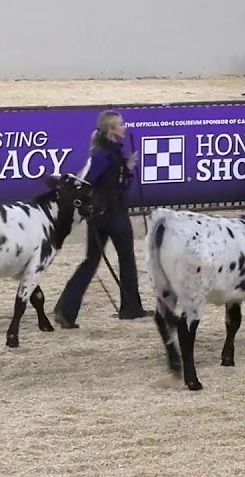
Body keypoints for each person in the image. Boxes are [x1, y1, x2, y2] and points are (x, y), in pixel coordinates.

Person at [53, 110, 149, 328]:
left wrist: (129, 168)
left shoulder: (108, 153)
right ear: (111, 130)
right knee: (126, 258)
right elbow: (86, 182)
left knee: (91, 261)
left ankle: (66, 310)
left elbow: (114, 182)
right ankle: (131, 308)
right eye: (121, 125)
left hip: (100, 217)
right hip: (114, 214)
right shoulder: (104, 156)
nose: (124, 128)